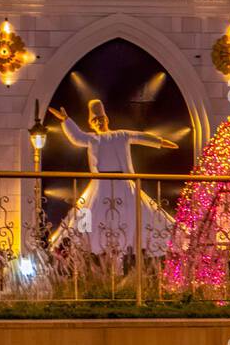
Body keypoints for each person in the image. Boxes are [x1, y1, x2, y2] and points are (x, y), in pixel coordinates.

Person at [47, 100, 178, 256]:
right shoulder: (92, 138)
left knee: (138, 214)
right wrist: (66, 120)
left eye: (101, 119)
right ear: (91, 124)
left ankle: (142, 245)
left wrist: (161, 142)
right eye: (95, 120)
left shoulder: (121, 135)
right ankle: (78, 244)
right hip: (100, 185)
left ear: (106, 120)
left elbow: (141, 136)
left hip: (124, 183)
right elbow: (76, 137)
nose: (99, 122)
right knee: (86, 212)